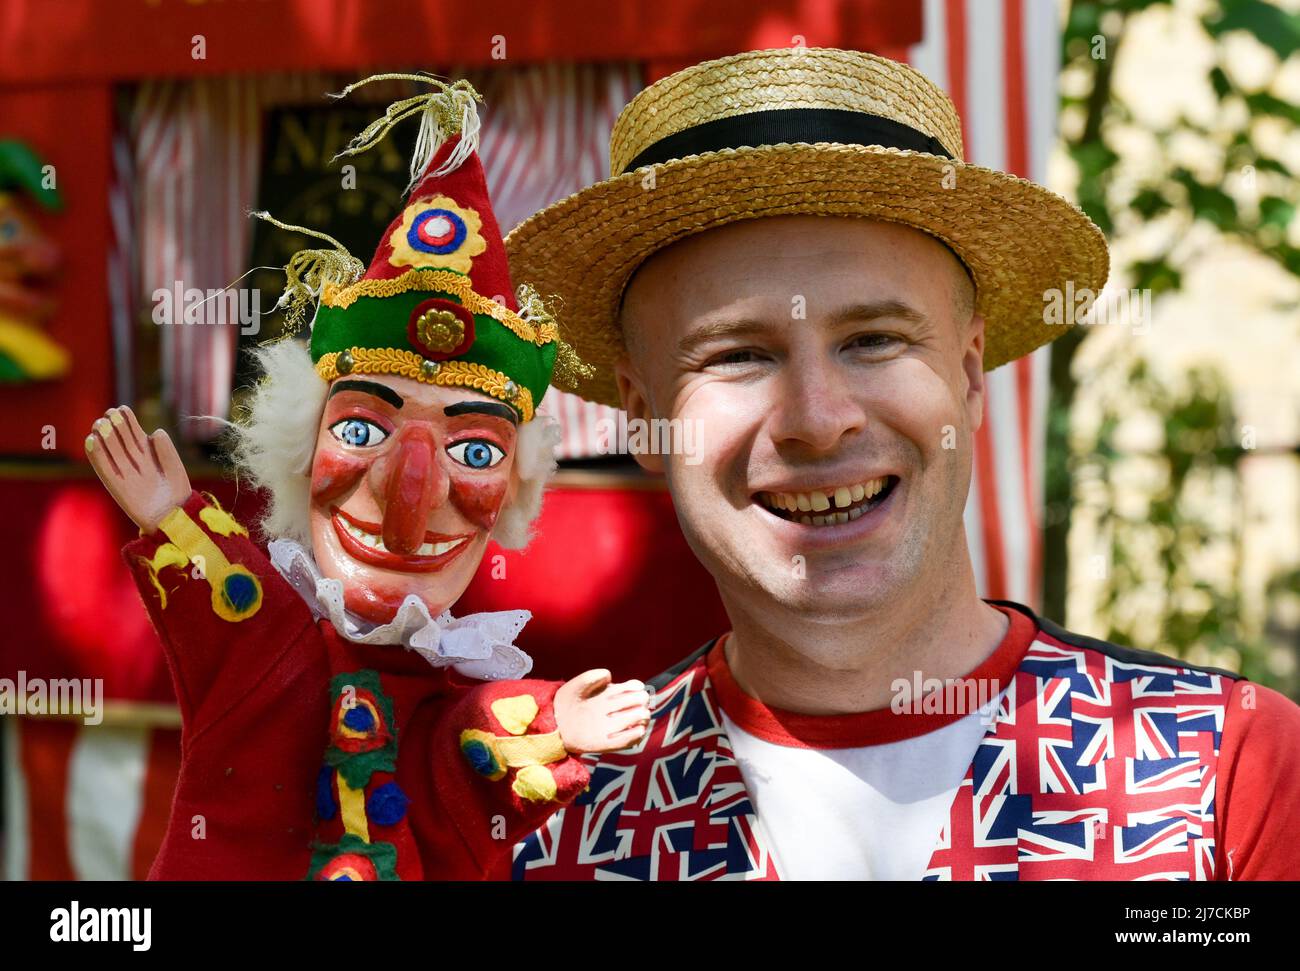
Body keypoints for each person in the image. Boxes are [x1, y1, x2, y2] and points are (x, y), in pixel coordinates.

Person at [504, 47, 1300, 880]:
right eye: (739, 354)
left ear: (966, 375)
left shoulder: (1225, 779)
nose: (816, 420)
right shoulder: (544, 820)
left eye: (874, 339)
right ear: (642, 415)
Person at [85, 76, 650, 881]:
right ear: (298, 448)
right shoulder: (267, 647)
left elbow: (459, 749)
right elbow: (234, 618)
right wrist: (172, 514)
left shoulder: (445, 683)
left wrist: (557, 721)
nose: (406, 500)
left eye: (477, 451)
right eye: (359, 430)